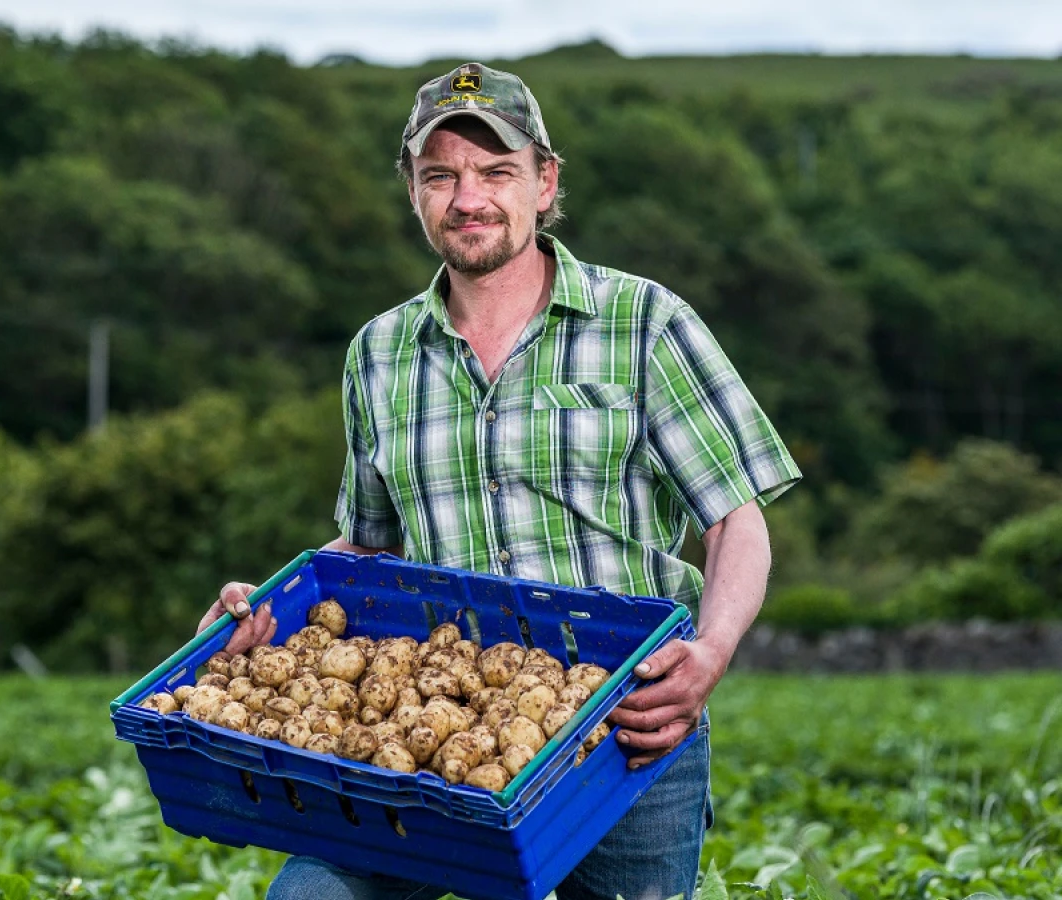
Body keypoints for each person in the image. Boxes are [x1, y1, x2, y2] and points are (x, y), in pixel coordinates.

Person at [197, 62, 801, 900]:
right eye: (439, 174)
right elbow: (367, 548)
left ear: (545, 182)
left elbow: (736, 518)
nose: (467, 197)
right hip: (434, 725)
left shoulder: (646, 324)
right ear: (411, 188)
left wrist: (714, 650)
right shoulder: (379, 353)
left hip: (624, 724)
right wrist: (268, 603)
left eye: (496, 172)